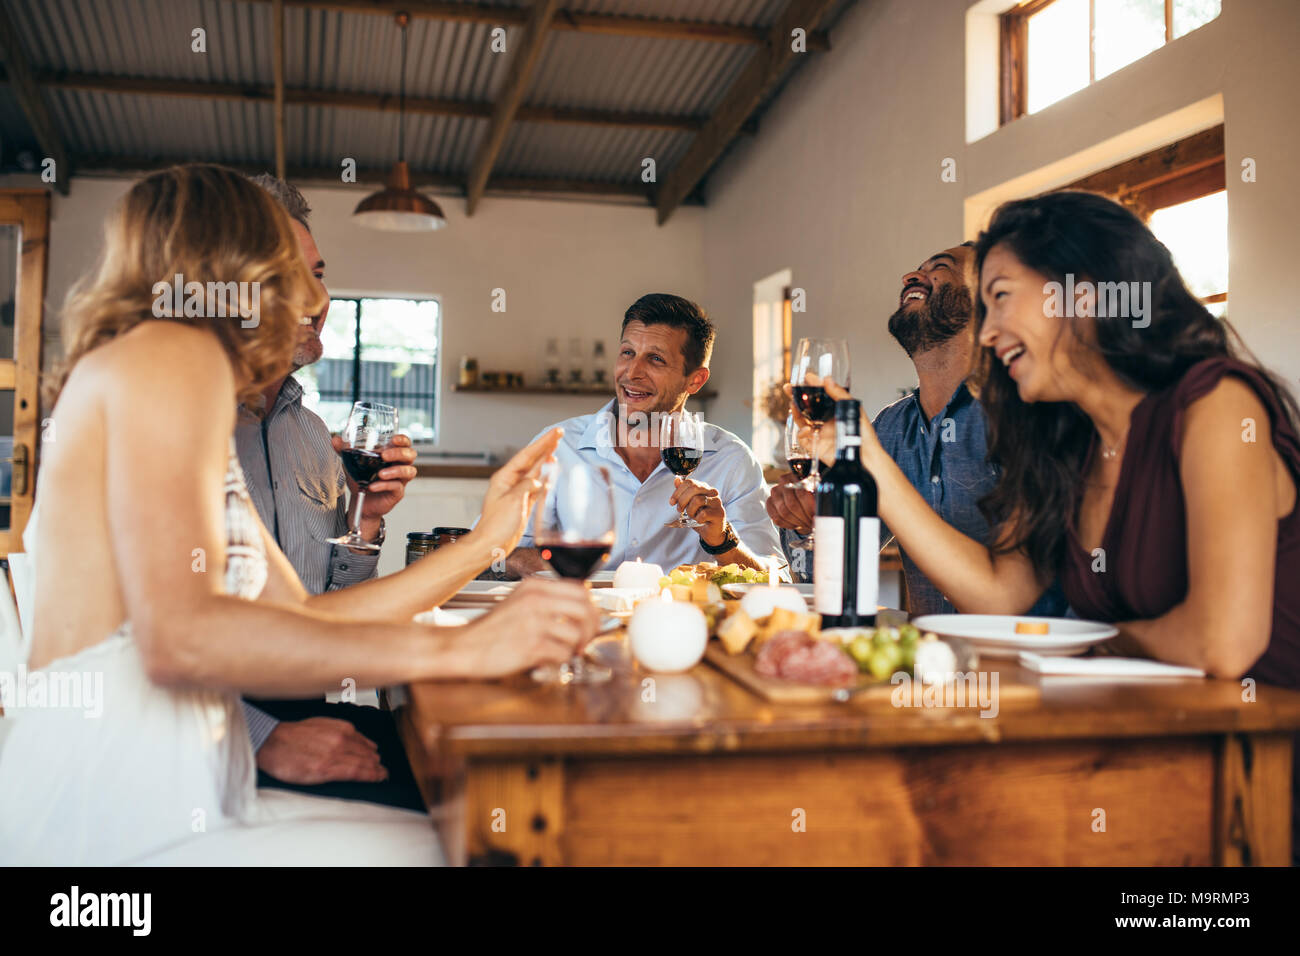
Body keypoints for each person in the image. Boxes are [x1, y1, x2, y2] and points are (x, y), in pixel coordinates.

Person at [0, 164, 600, 865]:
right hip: (110, 823)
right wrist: (464, 648)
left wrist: (489, 539)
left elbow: (308, 617)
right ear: (232, 267)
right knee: (497, 845)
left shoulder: (173, 376)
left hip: (190, 796)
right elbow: (181, 639)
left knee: (483, 836)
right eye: (291, 269)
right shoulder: (170, 353)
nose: (317, 295)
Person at [797, 191, 1299, 857]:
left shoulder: (1215, 406)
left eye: (1001, 297)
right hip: (1153, 769)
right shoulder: (1070, 446)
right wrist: (873, 466)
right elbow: (1001, 592)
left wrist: (1075, 643)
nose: (985, 331)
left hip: (1258, 791)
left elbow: (1220, 644)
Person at [235, 174, 422, 812]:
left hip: (309, 700)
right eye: (291, 279)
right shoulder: (185, 427)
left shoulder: (312, 435)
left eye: (319, 273)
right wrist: (260, 740)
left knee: (456, 765)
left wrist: (365, 520)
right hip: (216, 734)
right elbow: (136, 643)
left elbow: (327, 609)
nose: (320, 298)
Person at [767, 242, 1066, 616]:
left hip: (1026, 665)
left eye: (941, 266)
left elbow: (1012, 597)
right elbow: (821, 577)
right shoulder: (890, 428)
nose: (910, 276)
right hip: (930, 663)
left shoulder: (1029, 416)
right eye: (915, 270)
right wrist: (806, 522)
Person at [506, 293, 783, 576]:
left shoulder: (732, 461)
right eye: (627, 353)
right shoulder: (557, 446)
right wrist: (551, 567)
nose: (633, 372)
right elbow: (490, 551)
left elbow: (777, 580)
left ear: (695, 380)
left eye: (655, 359)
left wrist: (724, 542)